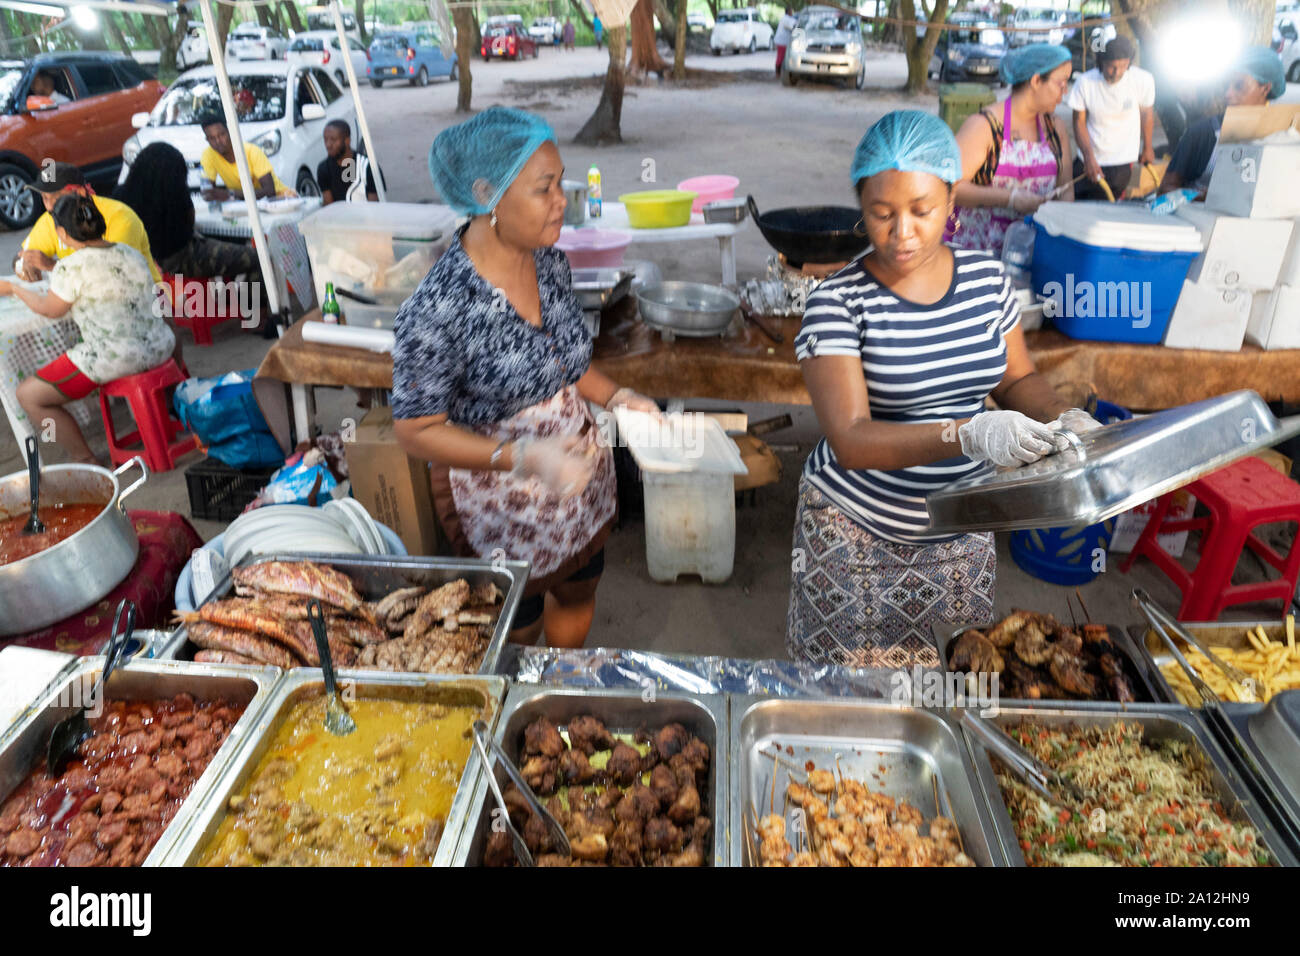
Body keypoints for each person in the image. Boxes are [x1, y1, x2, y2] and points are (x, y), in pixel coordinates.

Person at [787, 110, 1100, 668]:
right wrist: (968, 433)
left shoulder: (987, 282)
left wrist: (1062, 418)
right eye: (881, 214)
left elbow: (1017, 377)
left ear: (952, 199)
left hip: (961, 532)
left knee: (952, 689)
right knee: (851, 703)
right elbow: (852, 440)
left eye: (921, 210)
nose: (901, 232)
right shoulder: (838, 303)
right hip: (856, 535)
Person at [391, 107, 659, 648]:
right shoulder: (440, 306)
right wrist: (524, 458)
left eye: (561, 182)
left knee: (581, 585)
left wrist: (619, 396)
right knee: (520, 618)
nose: (563, 199)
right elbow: (416, 429)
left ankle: (561, 683)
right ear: (489, 195)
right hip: (498, 495)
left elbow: (566, 362)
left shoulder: (549, 264)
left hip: (577, 474)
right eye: (545, 188)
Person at [0, 194, 175, 464]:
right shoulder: (130, 254)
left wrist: (14, 289)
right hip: (162, 346)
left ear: (61, 232)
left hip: (116, 358)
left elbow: (49, 309)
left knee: (28, 396)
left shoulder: (72, 267)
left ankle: (85, 459)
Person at [949, 44, 1074, 254]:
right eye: (1061, 83)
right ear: (1035, 81)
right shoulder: (985, 126)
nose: (1066, 90)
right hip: (981, 252)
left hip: (1034, 251)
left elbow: (1066, 189)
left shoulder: (1055, 128)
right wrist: (1011, 198)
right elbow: (952, 188)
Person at [116, 142, 263, 284]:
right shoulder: (174, 195)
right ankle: (253, 306)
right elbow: (189, 223)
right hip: (178, 260)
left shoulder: (121, 195)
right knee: (258, 259)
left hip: (138, 263)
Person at [1159, 46, 1286, 196]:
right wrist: (1205, 196)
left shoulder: (1283, 134)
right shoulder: (1202, 133)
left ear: (1265, 89)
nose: (1228, 94)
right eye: (1227, 85)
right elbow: (1165, 191)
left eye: (1239, 86)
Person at [16, 162, 161, 285]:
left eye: (55, 197)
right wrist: (24, 265)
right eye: (44, 198)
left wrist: (53, 266)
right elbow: (19, 257)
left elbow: (113, 275)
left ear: (79, 192)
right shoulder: (50, 219)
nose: (49, 206)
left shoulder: (119, 217)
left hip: (147, 301)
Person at [1067, 35, 1155, 201]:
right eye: (1112, 67)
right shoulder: (1086, 82)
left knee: (1107, 204)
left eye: (1123, 66)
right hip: (1088, 157)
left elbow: (1147, 114)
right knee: (1074, 199)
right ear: (1101, 62)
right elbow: (1078, 122)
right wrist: (1088, 157)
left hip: (1121, 160)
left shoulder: (1143, 80)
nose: (1117, 72)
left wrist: (1148, 147)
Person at [198, 115, 291, 200]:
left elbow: (270, 191)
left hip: (281, 199)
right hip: (244, 205)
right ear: (207, 140)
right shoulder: (208, 155)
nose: (218, 141)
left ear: (229, 132)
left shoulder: (251, 151)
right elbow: (208, 193)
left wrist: (230, 194)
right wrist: (216, 194)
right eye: (212, 138)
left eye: (221, 135)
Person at [317, 119, 380, 204]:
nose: (328, 145)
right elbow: (330, 206)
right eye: (326, 140)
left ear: (347, 141)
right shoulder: (323, 169)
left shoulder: (367, 167)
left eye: (333, 140)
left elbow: (375, 207)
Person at [774, 7, 798, 78]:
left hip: (782, 41)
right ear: (788, 12)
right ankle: (778, 73)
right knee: (781, 57)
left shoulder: (786, 18)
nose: (792, 13)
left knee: (782, 57)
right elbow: (793, 26)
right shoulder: (786, 19)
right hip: (782, 41)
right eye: (791, 12)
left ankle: (779, 73)